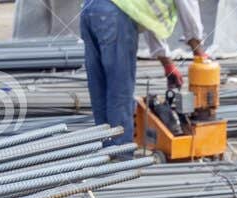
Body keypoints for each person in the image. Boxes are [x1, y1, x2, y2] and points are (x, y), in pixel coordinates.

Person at [80, 0, 206, 138]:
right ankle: (120, 155)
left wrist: (167, 63)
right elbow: (188, 5)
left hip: (89, 10)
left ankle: (103, 150)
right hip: (115, 14)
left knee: (99, 90)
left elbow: (149, 18)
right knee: (120, 92)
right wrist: (198, 50)